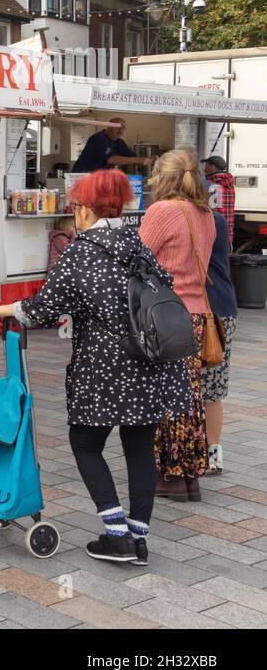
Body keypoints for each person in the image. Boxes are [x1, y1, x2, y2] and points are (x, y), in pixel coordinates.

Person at [0, 170, 190, 565]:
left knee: (86, 443)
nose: (74, 214)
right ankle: (138, 539)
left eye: (75, 207)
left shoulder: (83, 250)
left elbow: (42, 308)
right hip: (151, 362)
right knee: (139, 447)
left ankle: (116, 534)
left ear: (86, 210)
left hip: (107, 368)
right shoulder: (136, 242)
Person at [140, 149, 216, 502]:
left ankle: (168, 474)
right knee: (189, 394)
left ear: (163, 177)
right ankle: (190, 477)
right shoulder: (205, 214)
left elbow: (137, 258)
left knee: (165, 394)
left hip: (167, 314)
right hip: (198, 315)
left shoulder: (162, 211)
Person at [203, 209, 237, 476]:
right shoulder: (217, 218)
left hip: (202, 309)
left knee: (192, 387)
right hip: (223, 307)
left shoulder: (190, 218)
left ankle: (189, 452)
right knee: (213, 390)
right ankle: (213, 453)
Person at [71, 117, 153, 172]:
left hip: (100, 176)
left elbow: (133, 157)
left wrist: (150, 159)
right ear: (108, 127)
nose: (121, 131)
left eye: (123, 128)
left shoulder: (119, 142)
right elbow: (111, 159)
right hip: (83, 175)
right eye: (118, 127)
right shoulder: (99, 138)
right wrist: (138, 160)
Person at [202, 155, 236, 235]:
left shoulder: (208, 185)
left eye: (206, 166)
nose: (204, 170)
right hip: (227, 233)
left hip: (211, 233)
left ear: (212, 167)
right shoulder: (229, 185)